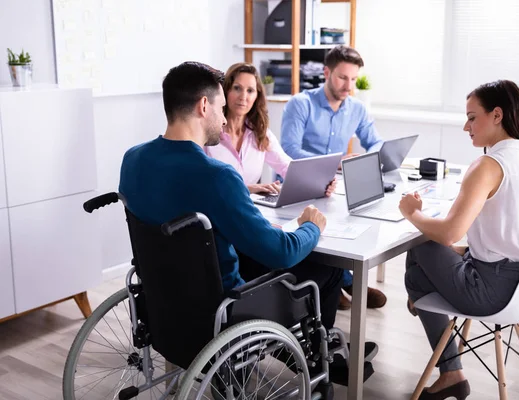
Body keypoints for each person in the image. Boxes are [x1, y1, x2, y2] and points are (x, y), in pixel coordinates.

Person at [118, 61, 343, 333]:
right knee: (330, 271)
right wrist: (311, 226)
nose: (224, 119)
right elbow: (281, 253)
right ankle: (322, 357)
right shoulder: (217, 175)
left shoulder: (132, 158)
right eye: (221, 108)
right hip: (221, 305)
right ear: (204, 106)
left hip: (163, 293)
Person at [399, 80, 519, 399]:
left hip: (491, 292)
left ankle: (449, 367)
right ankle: (421, 300)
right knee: (422, 262)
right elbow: (508, 234)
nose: (465, 126)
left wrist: (412, 212)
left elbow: (449, 232)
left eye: (472, 117)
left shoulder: (488, 165)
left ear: (497, 115)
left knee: (420, 243)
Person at [280, 45, 387, 310]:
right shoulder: (300, 104)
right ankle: (344, 284)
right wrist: (338, 162)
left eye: (353, 79)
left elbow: (375, 143)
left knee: (357, 218)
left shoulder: (357, 109)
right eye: (342, 77)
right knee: (324, 225)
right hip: (299, 187)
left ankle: (339, 281)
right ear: (326, 72)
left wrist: (362, 161)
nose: (348, 85)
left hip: (332, 187)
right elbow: (290, 148)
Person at [205, 62, 336, 197]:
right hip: (215, 208)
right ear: (226, 91)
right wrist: (248, 189)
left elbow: (287, 166)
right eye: (237, 88)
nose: (243, 97)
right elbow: (201, 184)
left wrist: (321, 183)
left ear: (257, 96)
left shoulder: (260, 133)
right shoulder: (209, 133)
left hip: (249, 208)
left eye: (250, 91)